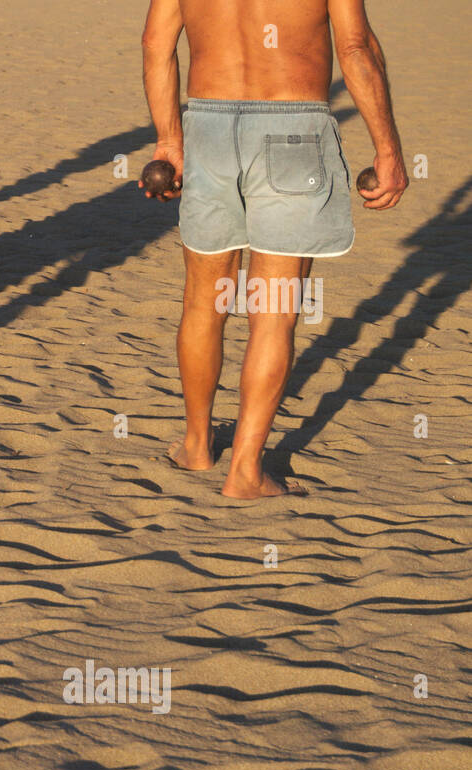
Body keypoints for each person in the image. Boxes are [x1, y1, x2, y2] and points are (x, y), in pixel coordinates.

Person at [141, 0, 407, 498]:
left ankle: (197, 445)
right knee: (274, 311)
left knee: (204, 302)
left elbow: (157, 45)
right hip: (293, 125)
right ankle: (244, 469)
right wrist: (387, 150)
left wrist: (169, 140)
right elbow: (354, 47)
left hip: (209, 125)